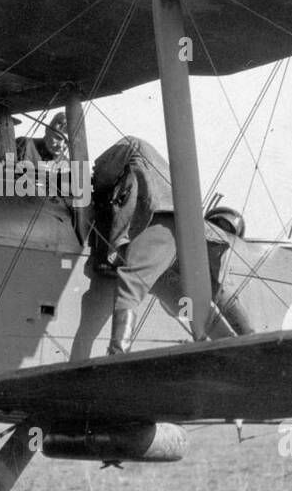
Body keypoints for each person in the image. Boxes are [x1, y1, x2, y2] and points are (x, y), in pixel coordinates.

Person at [91, 136, 252, 354]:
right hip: (195, 233)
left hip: (163, 222)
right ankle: (247, 341)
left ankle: (117, 351)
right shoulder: (162, 173)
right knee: (210, 290)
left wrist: (90, 181)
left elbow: (101, 173)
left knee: (131, 284)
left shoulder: (131, 147)